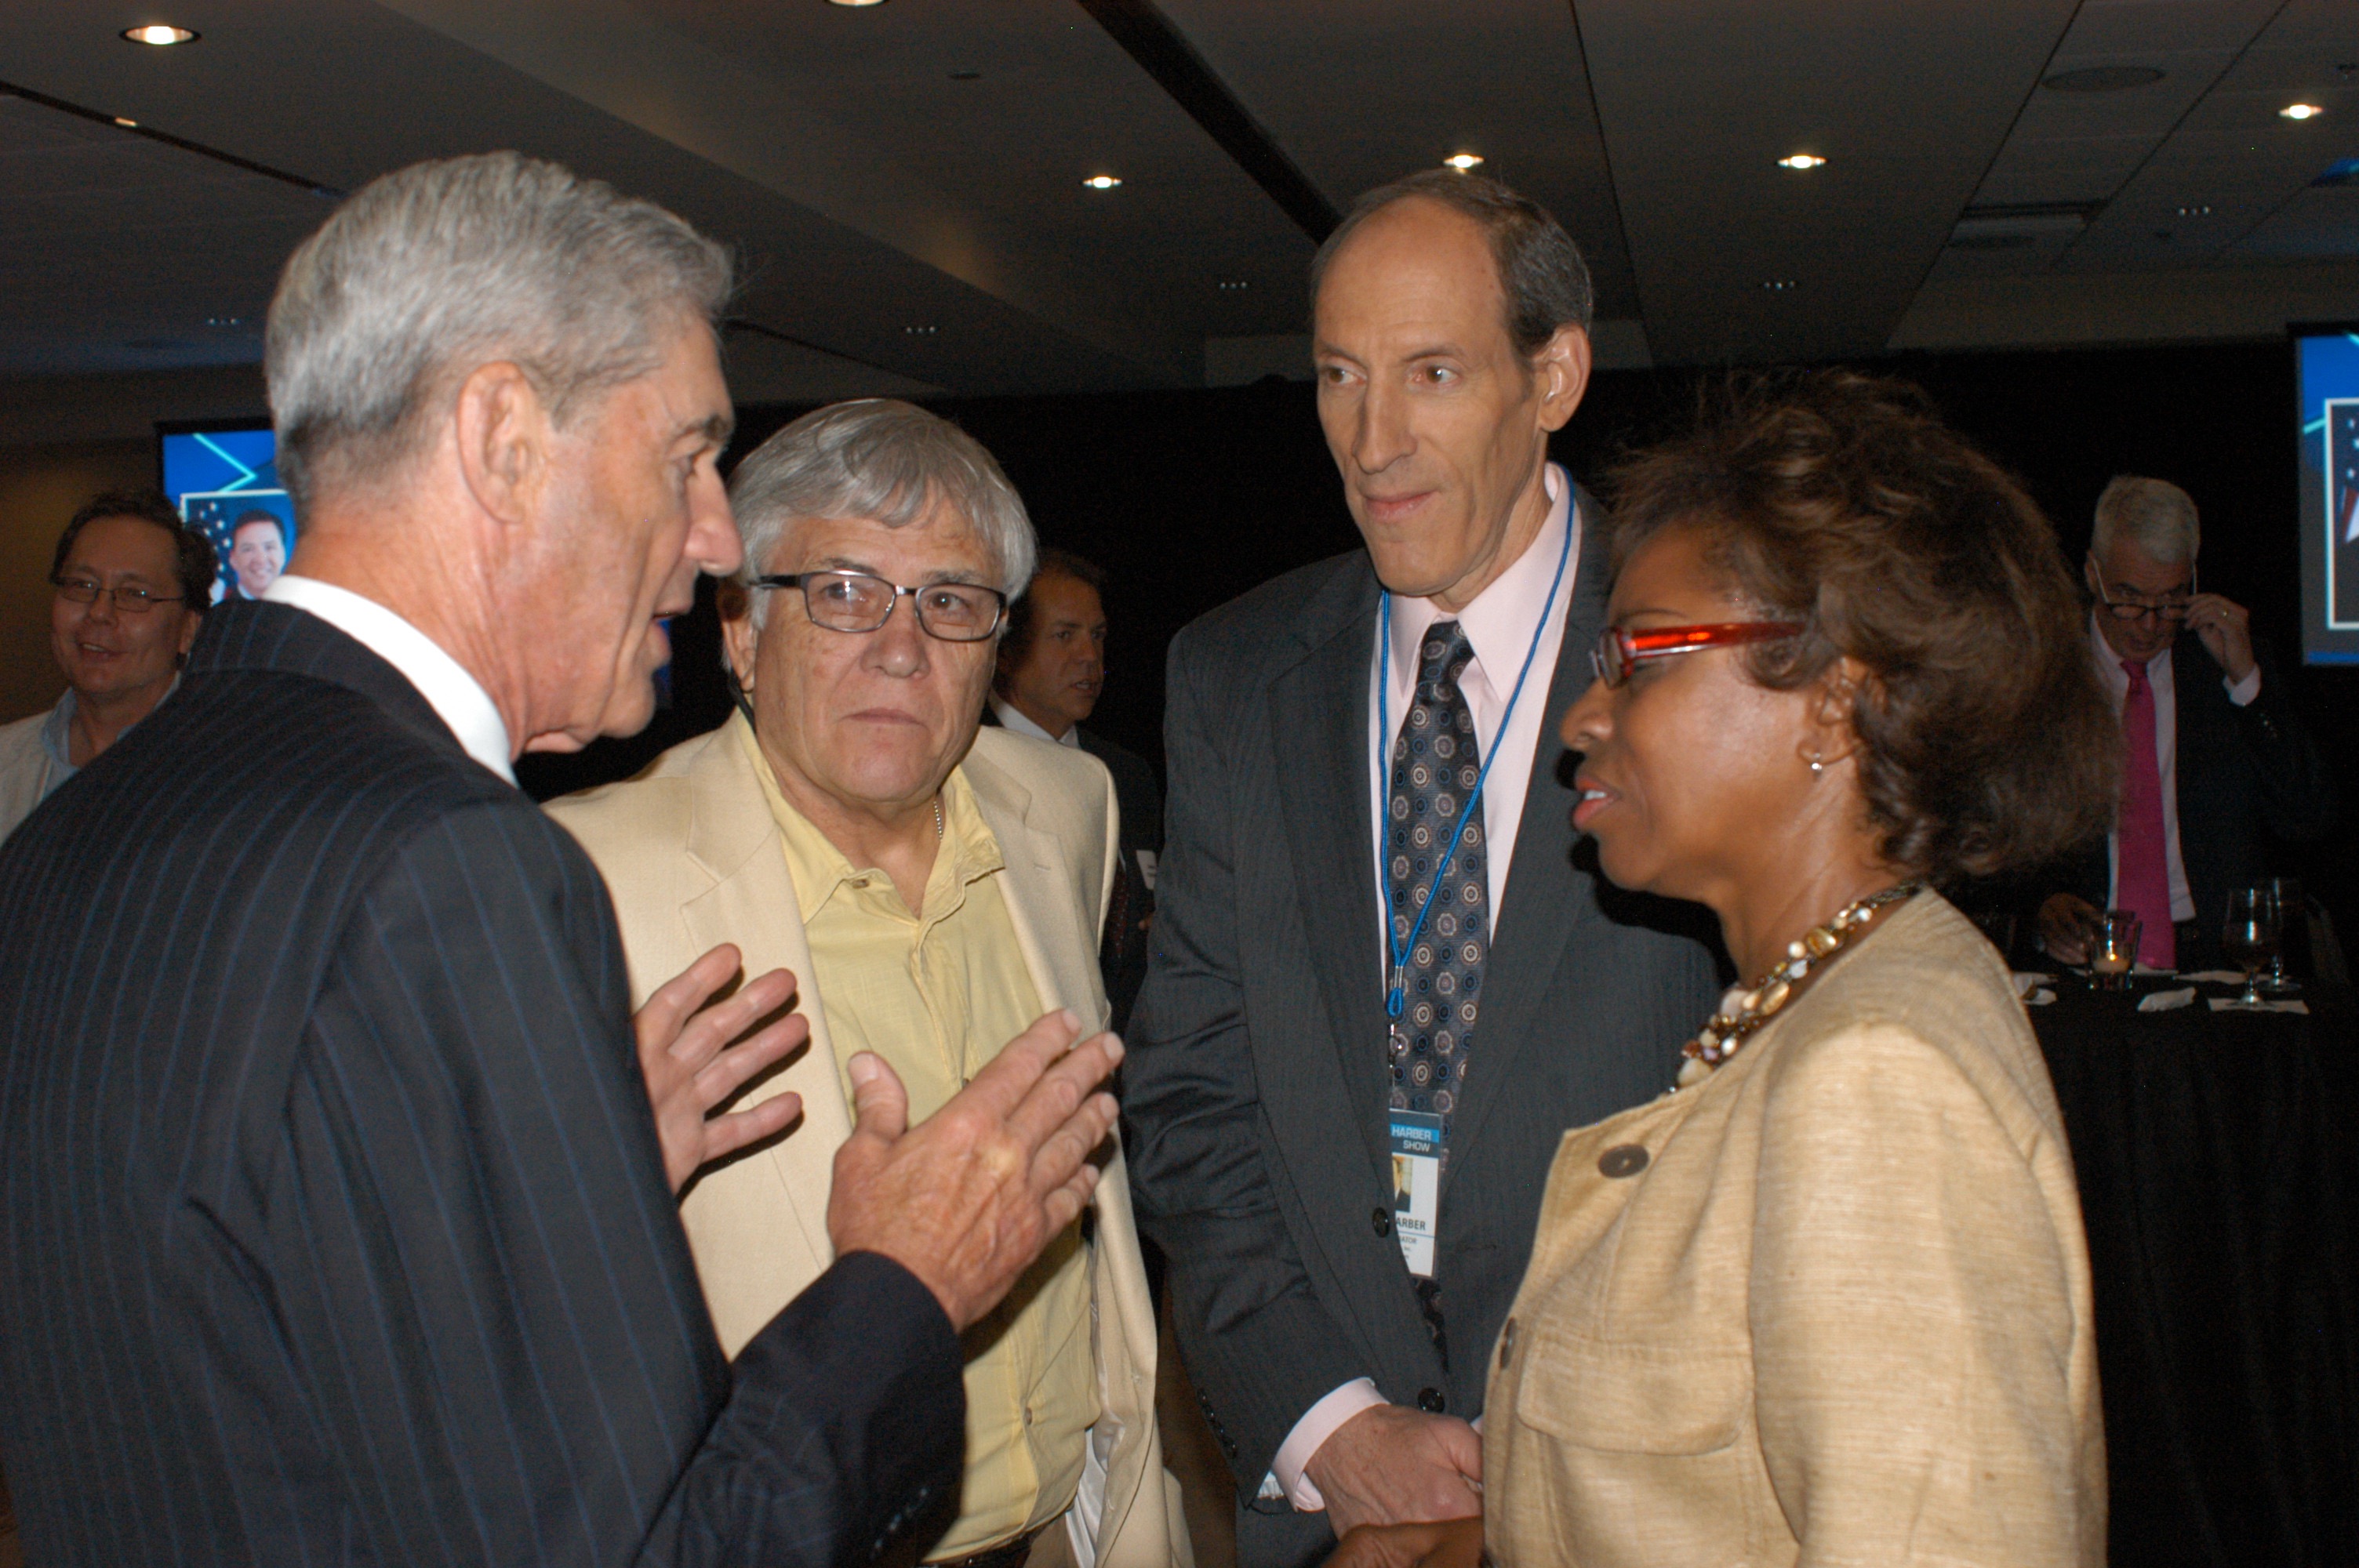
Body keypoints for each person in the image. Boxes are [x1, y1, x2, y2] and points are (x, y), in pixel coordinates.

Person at [0, 152, 1123, 1568]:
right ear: (502, 439)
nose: (712, 535)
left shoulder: (71, 836)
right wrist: (906, 1278)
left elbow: (288, 1379)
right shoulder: (453, 866)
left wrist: (557, 1208)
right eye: (686, 457)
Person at [1334, 371, 2112, 1568]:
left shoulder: (1877, 1081)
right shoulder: (1812, 1009)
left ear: (1838, 705)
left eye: (1641, 658)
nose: (1583, 717)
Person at [1121, 170, 1723, 1568]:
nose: (1372, 440)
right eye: (1339, 377)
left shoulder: (1706, 650)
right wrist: (1328, 1420)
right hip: (1338, 1494)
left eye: (1431, 374)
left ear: (1553, 377)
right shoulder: (1234, 675)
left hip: (1647, 1482)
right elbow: (1191, 1093)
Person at [549, 402, 1186, 1568]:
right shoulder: (578, 885)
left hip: (1070, 1525)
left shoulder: (1065, 808)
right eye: (842, 591)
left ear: (994, 645)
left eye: (949, 600)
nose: (901, 648)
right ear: (741, 631)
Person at [2034, 476, 2333, 970]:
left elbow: (2308, 820)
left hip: (2213, 963)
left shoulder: (2221, 663)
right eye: (2128, 598)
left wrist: (2247, 684)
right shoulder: (2044, 670)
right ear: (2092, 574)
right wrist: (2042, 905)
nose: (2150, 624)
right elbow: (1986, 840)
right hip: (2083, 962)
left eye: (2171, 600)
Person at [990, 546, 1163, 1033]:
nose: (1090, 657)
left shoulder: (1127, 776)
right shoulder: (963, 768)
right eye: (1064, 635)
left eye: (1098, 636)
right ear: (1007, 650)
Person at [0, 489, 213, 840]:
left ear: (188, 630)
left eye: (135, 594)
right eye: (82, 585)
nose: (99, 612)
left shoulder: (227, 773)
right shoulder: (8, 761)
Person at [225, 507, 290, 599]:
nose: (260, 560)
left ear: (283, 554)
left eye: (269, 547)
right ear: (233, 559)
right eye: (248, 549)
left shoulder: (302, 604)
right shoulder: (220, 608)